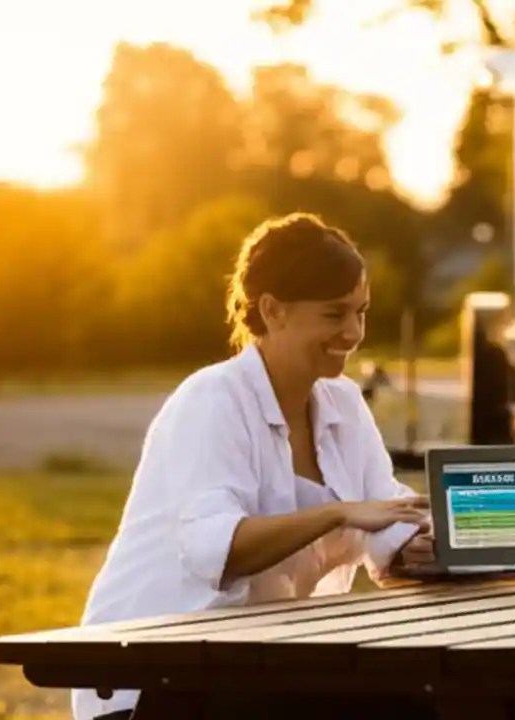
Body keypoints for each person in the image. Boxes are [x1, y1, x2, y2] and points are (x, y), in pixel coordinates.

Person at [72, 213, 434, 720]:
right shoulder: (212, 400)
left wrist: (498, 537)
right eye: (334, 315)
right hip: (150, 689)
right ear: (273, 310)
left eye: (361, 312)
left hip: (262, 668)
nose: (354, 333)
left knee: (493, 699)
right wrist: (338, 514)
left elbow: (389, 527)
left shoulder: (344, 403)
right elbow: (216, 551)